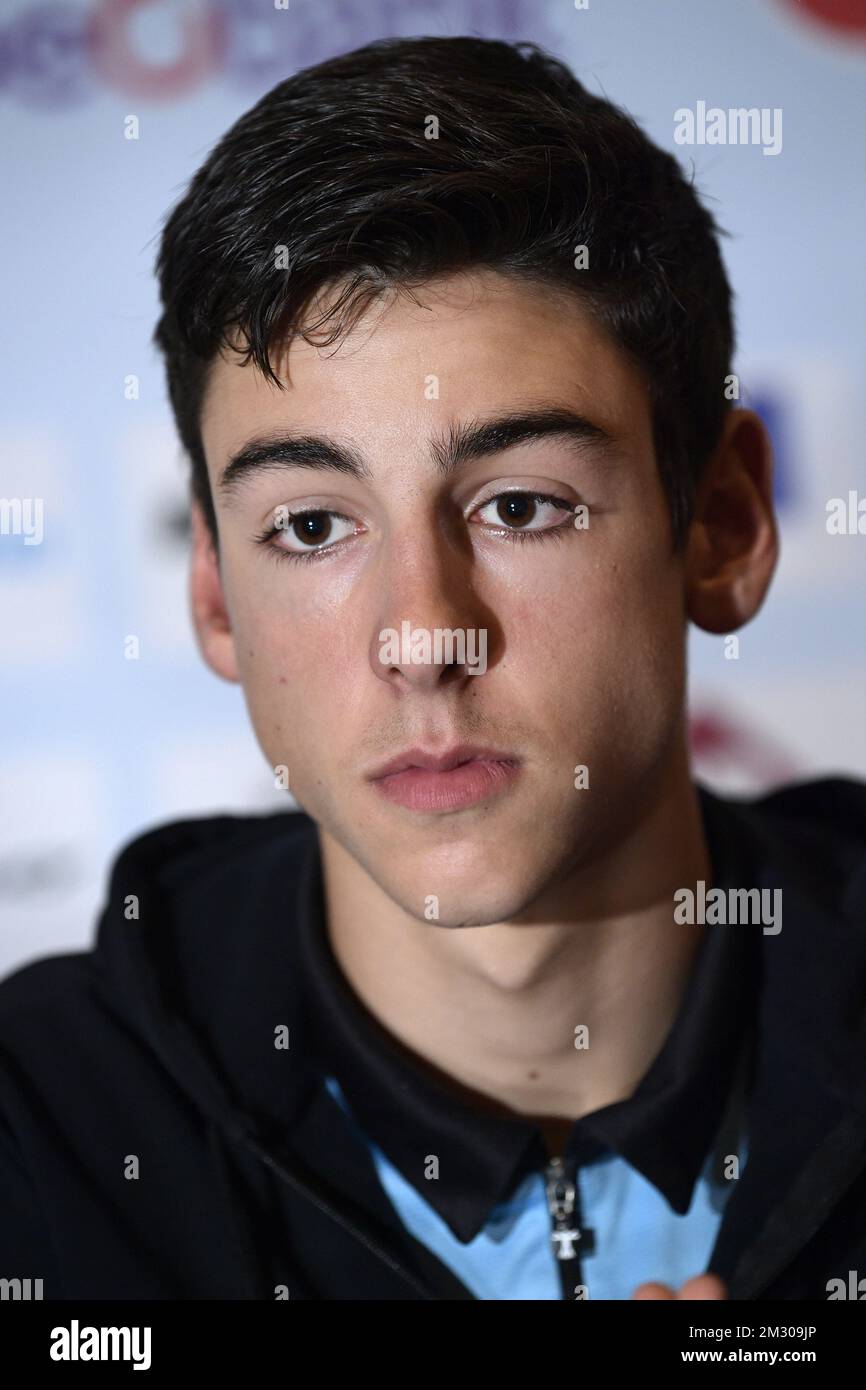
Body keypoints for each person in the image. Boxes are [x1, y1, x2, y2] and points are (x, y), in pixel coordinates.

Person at [1, 34, 864, 1303]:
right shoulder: (41, 1140)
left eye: (519, 507)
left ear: (722, 524)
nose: (421, 637)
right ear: (211, 593)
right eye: (309, 526)